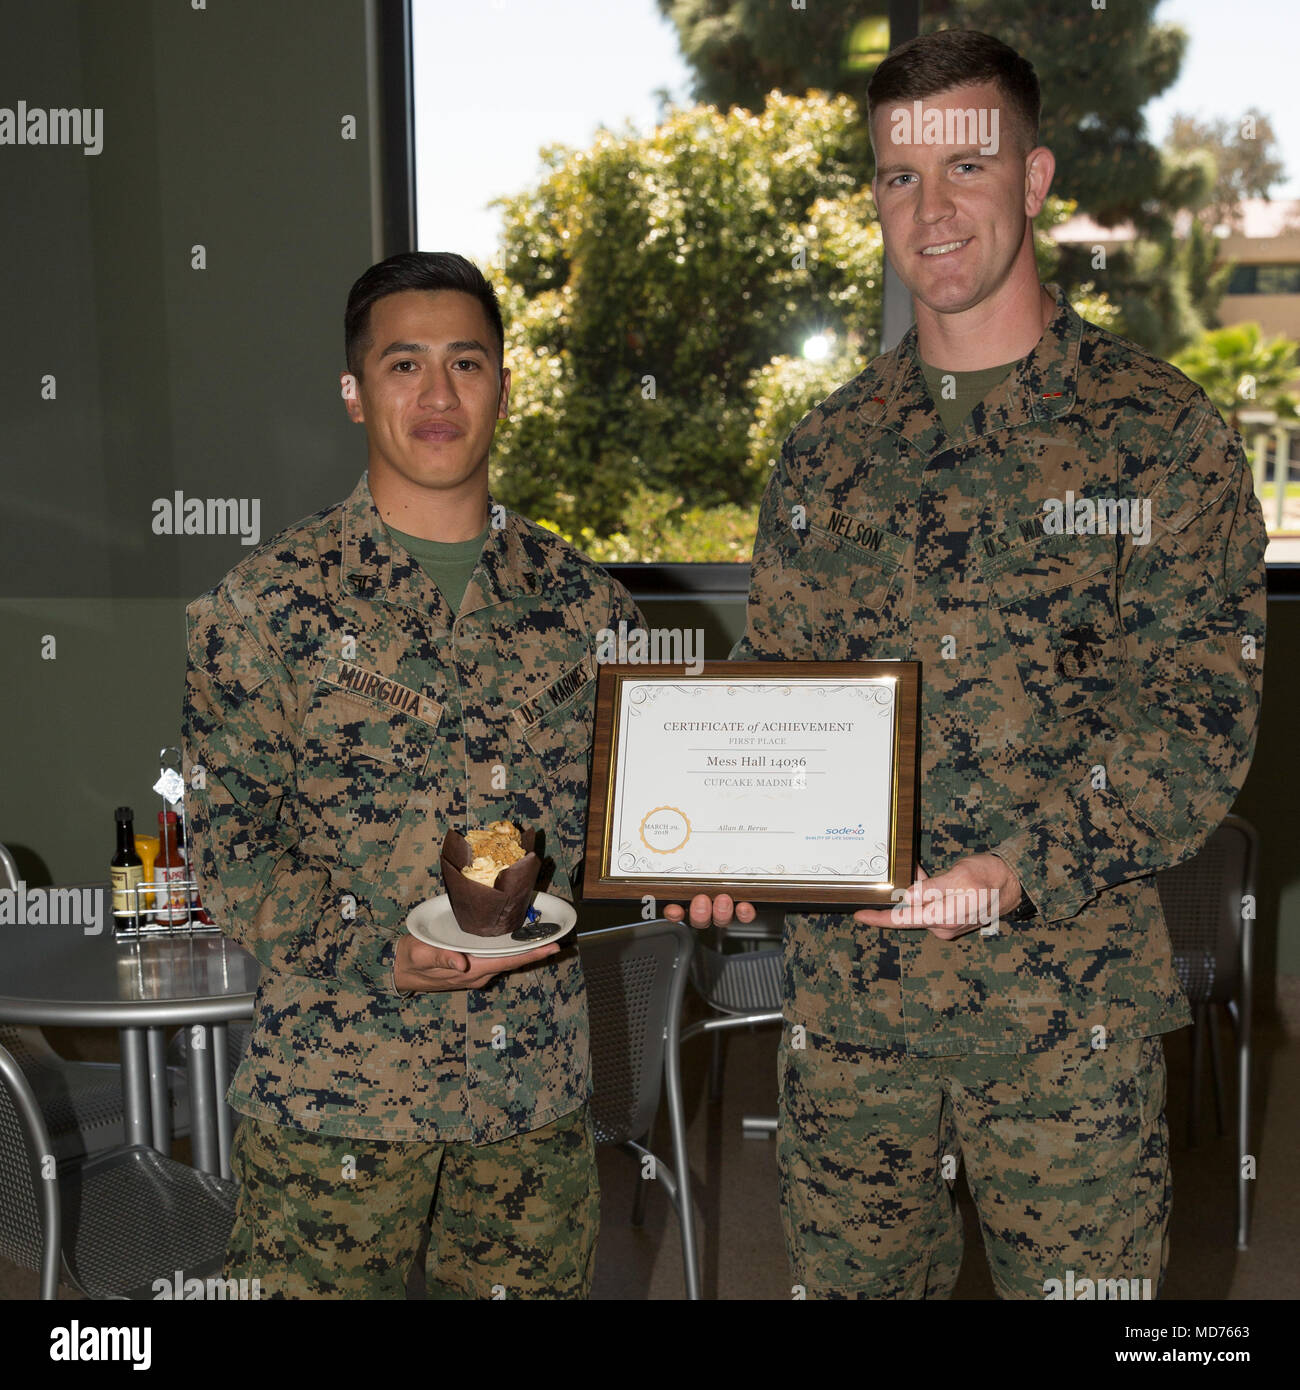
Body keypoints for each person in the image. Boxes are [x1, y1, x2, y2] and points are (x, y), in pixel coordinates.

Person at [667, 29, 1266, 1299]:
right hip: (852, 1027)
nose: (929, 211)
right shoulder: (824, 456)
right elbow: (781, 703)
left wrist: (1014, 872)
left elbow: (1197, 722)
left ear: (1036, 179)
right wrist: (717, 856)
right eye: (896, 177)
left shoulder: (1160, 438)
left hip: (1064, 1022)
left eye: (966, 168)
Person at [182, 251, 642, 1299]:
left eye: (467, 364)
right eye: (403, 365)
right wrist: (372, 953)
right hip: (336, 1092)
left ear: (504, 389)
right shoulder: (263, 608)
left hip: (525, 1091)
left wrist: (716, 859)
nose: (437, 395)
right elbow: (230, 846)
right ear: (353, 393)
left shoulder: (593, 611)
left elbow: (632, 830)